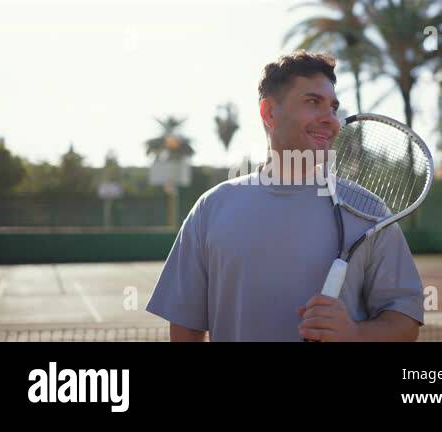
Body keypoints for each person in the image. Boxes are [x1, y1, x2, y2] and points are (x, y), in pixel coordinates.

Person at [146, 50, 424, 342]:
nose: (331, 120)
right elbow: (186, 326)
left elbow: (404, 323)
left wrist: (355, 333)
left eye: (333, 107)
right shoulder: (211, 207)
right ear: (269, 113)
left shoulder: (368, 210)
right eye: (313, 102)